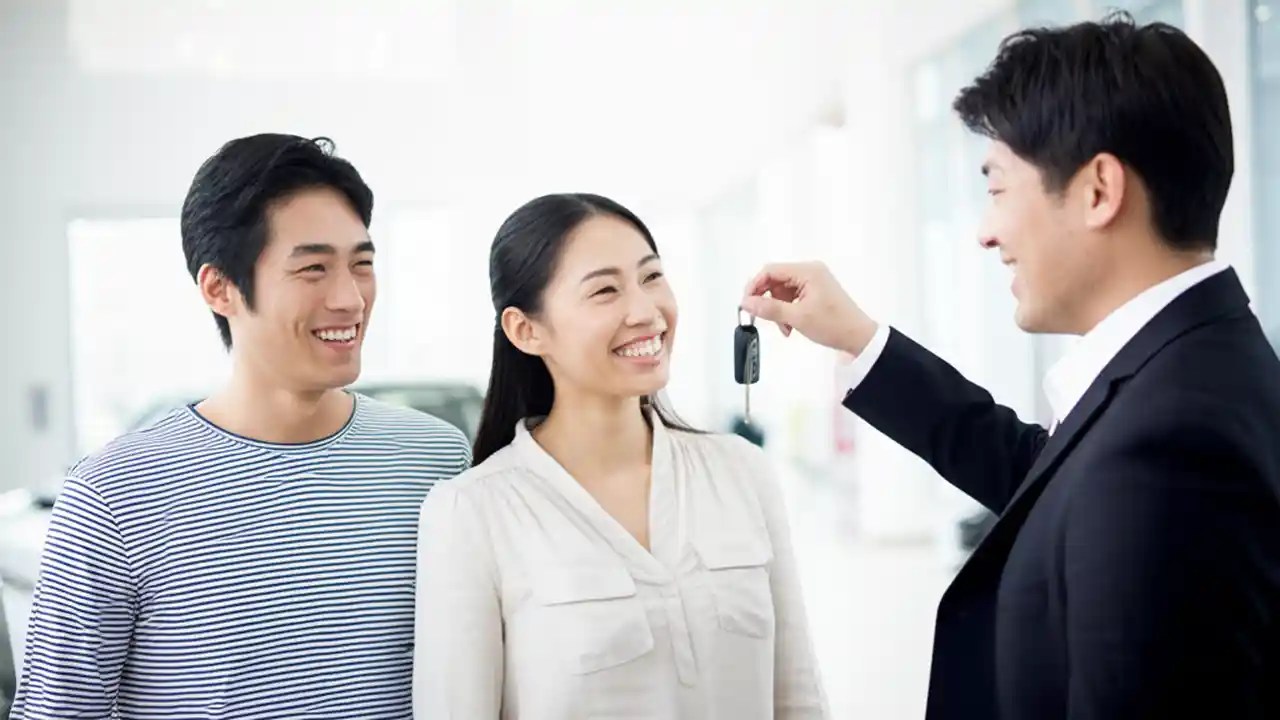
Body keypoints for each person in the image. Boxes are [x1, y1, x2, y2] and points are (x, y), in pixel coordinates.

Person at [741, 14, 1279, 720]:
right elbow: (1050, 479)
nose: (985, 231)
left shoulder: (1172, 444)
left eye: (997, 188)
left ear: (1098, 191)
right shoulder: (1191, 368)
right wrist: (859, 339)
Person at [11, 134, 471, 719]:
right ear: (219, 287)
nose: (351, 298)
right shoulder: (112, 495)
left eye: (362, 264)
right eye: (313, 269)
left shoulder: (433, 458)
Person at [412, 193, 828, 719]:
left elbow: (798, 696)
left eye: (651, 277)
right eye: (605, 290)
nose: (646, 311)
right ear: (526, 330)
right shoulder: (470, 512)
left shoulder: (741, 471)